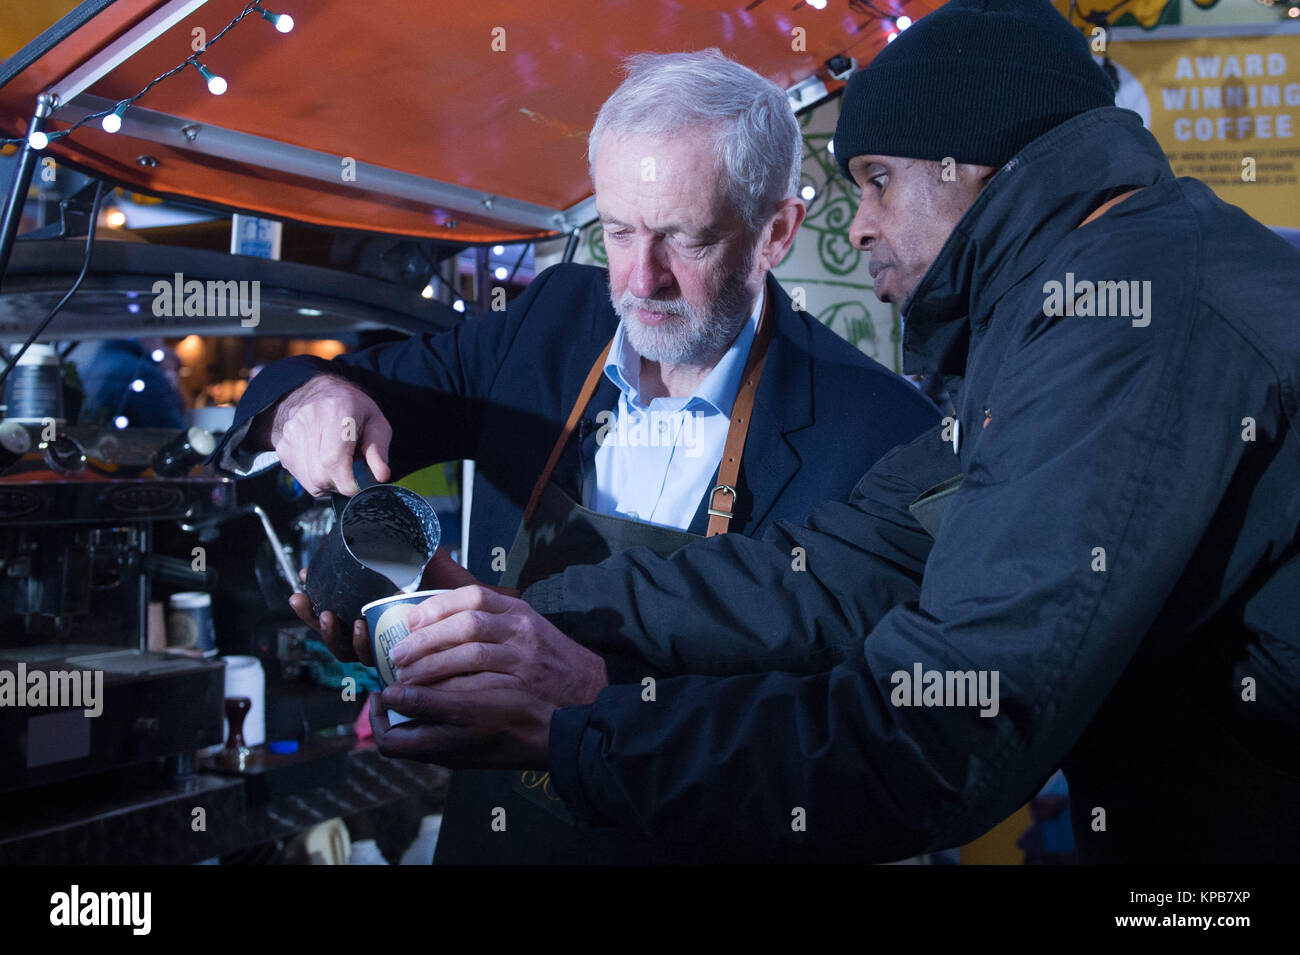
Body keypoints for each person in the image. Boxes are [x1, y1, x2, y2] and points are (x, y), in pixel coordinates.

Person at [363, 0, 1300, 864]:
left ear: (975, 166)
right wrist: (539, 618)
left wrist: (587, 723)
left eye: (879, 180)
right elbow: (849, 565)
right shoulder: (1066, 311)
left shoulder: (1129, 322)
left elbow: (947, 726)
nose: (860, 228)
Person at [213, 50, 938, 863]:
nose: (639, 280)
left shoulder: (879, 430)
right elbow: (346, 385)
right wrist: (306, 402)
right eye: (619, 230)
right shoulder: (553, 319)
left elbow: (854, 740)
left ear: (774, 231)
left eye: (684, 240)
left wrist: (589, 692)